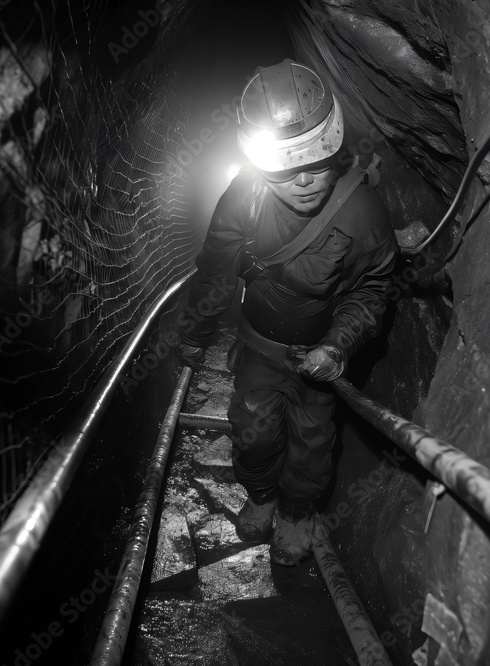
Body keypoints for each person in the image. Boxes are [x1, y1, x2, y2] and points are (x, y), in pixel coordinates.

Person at [175, 59, 398, 566]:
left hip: (315, 355)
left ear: (335, 147)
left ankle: (297, 511)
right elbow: (215, 269)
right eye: (284, 167)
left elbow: (372, 288)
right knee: (252, 431)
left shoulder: (362, 213)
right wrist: (195, 333)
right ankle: (261, 495)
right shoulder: (245, 197)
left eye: (315, 162)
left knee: (313, 442)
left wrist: (338, 345)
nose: (302, 180)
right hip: (257, 345)